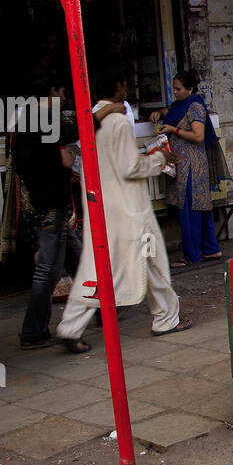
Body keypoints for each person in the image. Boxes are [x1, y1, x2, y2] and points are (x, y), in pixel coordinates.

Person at [56, 70, 191, 350]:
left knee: (95, 269)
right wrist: (158, 159)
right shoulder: (117, 121)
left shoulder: (92, 118)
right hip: (130, 209)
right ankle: (166, 318)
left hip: (100, 205)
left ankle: (70, 326)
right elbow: (130, 167)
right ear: (119, 86)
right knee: (153, 261)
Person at [14, 80, 82, 349]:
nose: (64, 98)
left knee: (81, 260)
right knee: (47, 271)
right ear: (52, 91)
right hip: (51, 204)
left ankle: (102, 308)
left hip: (51, 203)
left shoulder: (28, 121)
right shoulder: (40, 118)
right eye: (62, 91)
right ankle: (33, 331)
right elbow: (71, 134)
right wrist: (101, 114)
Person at [151, 71, 222, 268]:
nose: (175, 92)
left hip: (192, 165)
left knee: (191, 210)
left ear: (190, 89)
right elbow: (170, 112)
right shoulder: (179, 106)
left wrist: (174, 130)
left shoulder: (195, 106)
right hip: (186, 164)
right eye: (173, 88)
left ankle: (192, 255)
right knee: (200, 208)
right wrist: (160, 113)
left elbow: (198, 136)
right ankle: (211, 249)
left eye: (179, 89)